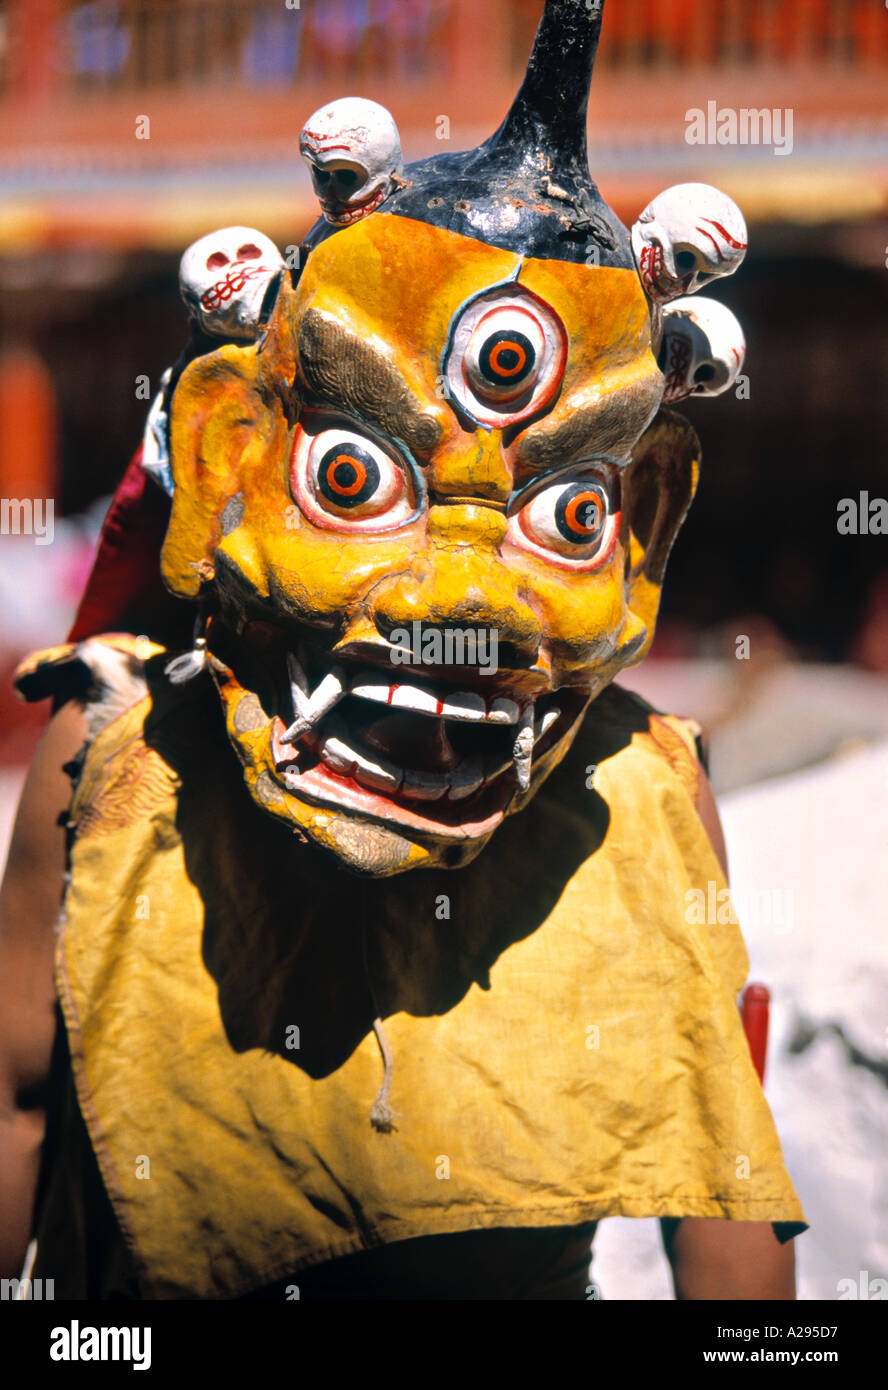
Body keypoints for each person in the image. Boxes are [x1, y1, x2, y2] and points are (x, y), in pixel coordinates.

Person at [0, 0, 804, 1300]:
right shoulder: (110, 767)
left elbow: (722, 1167)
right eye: (359, 477)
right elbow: (16, 1109)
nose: (465, 596)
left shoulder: (644, 794)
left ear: (643, 530)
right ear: (223, 457)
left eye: (572, 512)